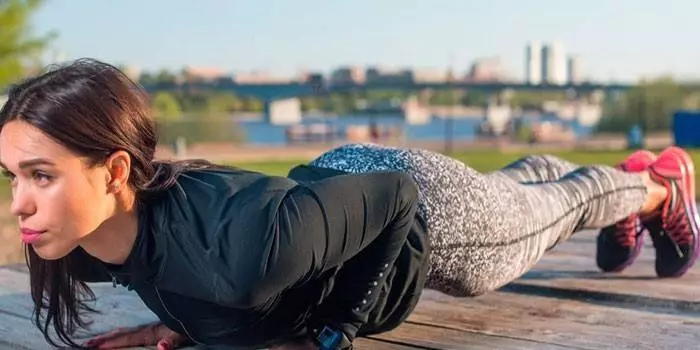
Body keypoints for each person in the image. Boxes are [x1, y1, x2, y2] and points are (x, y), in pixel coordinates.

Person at [0, 59, 697, 350]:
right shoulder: (85, 248)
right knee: (529, 193)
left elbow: (397, 198)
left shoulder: (244, 252)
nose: (19, 206)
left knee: (545, 216)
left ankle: (661, 181)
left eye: (40, 176)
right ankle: (587, 176)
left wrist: (330, 334)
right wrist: (187, 326)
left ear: (116, 170)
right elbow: (182, 268)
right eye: (10, 177)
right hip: (331, 197)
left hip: (426, 210)